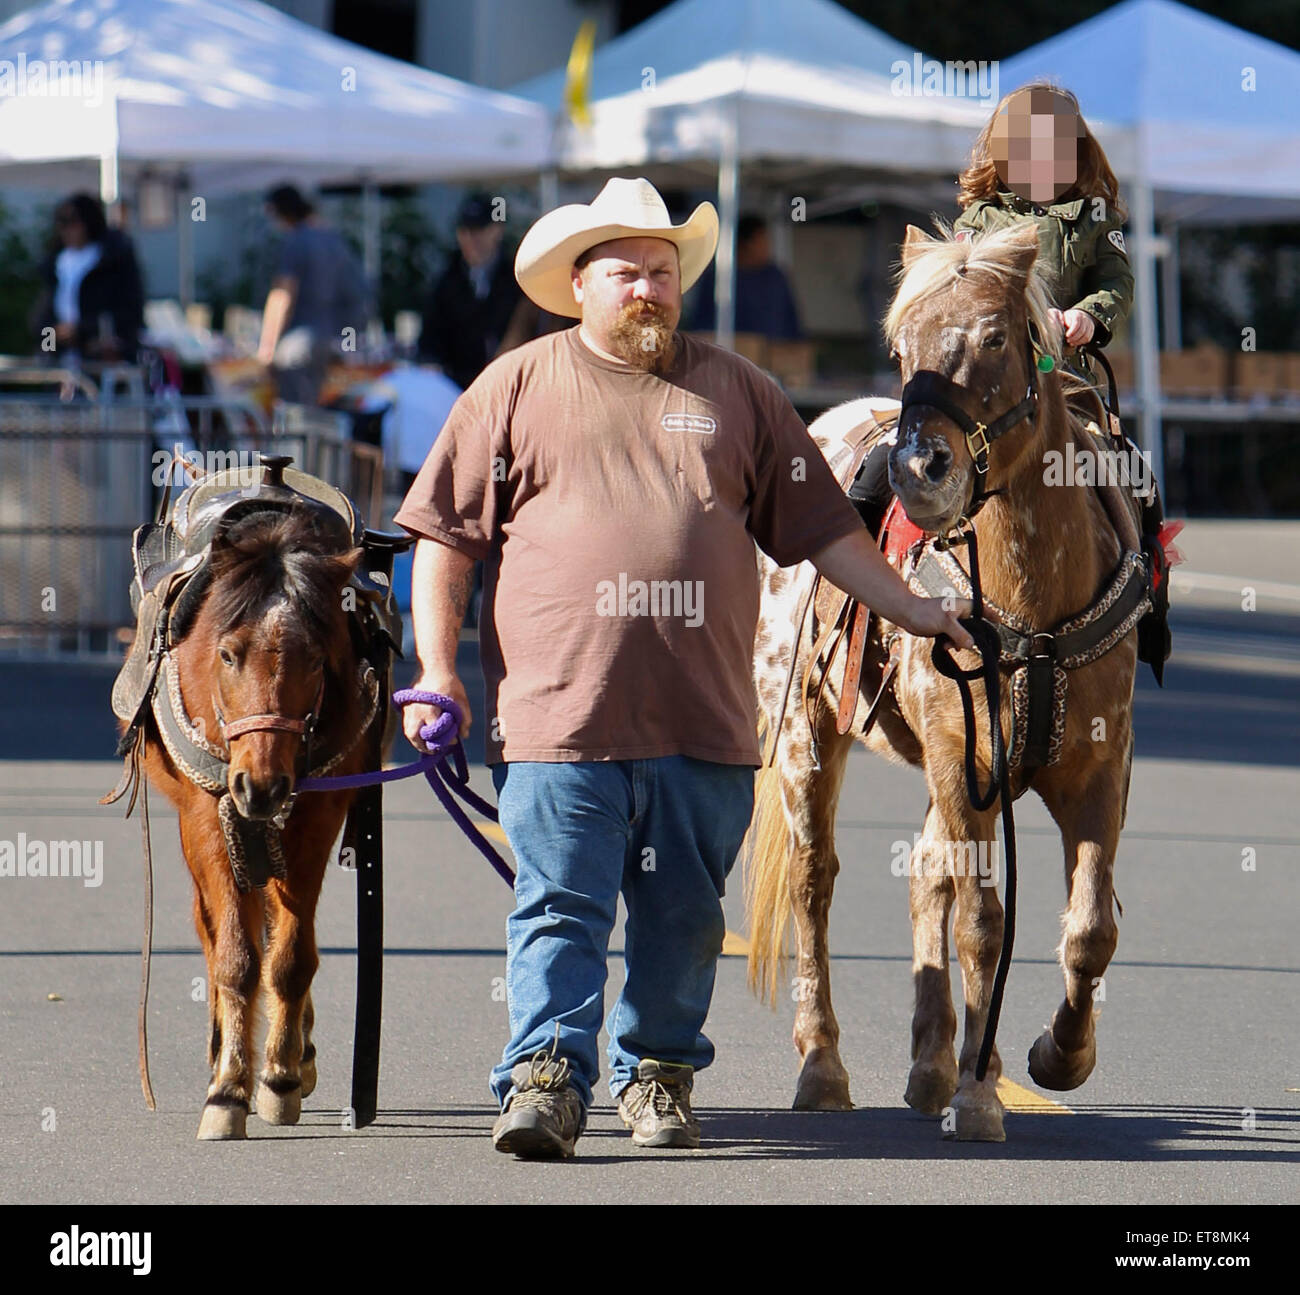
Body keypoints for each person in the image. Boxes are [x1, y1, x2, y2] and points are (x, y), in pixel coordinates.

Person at [393, 177, 976, 1161]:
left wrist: (918, 608)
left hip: (704, 724)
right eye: (625, 272)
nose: (648, 289)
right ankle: (544, 1076)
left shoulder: (739, 392)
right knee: (559, 903)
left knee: (684, 914)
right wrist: (436, 670)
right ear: (578, 284)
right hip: (558, 718)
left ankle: (659, 1073)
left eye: (662, 272)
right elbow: (444, 539)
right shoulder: (514, 387)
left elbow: (826, 533)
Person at [852, 82, 1136, 539]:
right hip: (983, 380)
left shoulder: (1097, 217)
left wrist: (1088, 316)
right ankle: (852, 542)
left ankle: (1147, 581)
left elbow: (1117, 283)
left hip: (1065, 383)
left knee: (1132, 474)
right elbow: (960, 296)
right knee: (894, 451)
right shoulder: (977, 219)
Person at [257, 185, 370, 406]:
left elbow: (282, 295)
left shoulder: (295, 242)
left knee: (293, 416)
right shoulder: (334, 240)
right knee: (315, 412)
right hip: (332, 341)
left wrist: (267, 347)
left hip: (299, 344)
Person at [418, 192, 534, 390]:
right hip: (456, 389)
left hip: (509, 387)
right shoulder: (446, 281)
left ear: (497, 230)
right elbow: (430, 340)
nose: (471, 239)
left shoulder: (518, 280)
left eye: (479, 230)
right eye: (464, 231)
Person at [33, 193, 145, 364]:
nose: (66, 229)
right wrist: (53, 335)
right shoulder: (58, 260)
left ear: (88, 222)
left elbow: (130, 310)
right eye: (62, 222)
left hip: (102, 354)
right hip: (63, 354)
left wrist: (82, 329)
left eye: (73, 222)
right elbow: (44, 311)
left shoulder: (112, 256)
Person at [690, 213, 803, 339]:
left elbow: (792, 322)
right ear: (746, 244)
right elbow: (702, 324)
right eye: (762, 241)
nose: (767, 246)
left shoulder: (776, 277)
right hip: (728, 351)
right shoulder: (719, 277)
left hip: (773, 353)